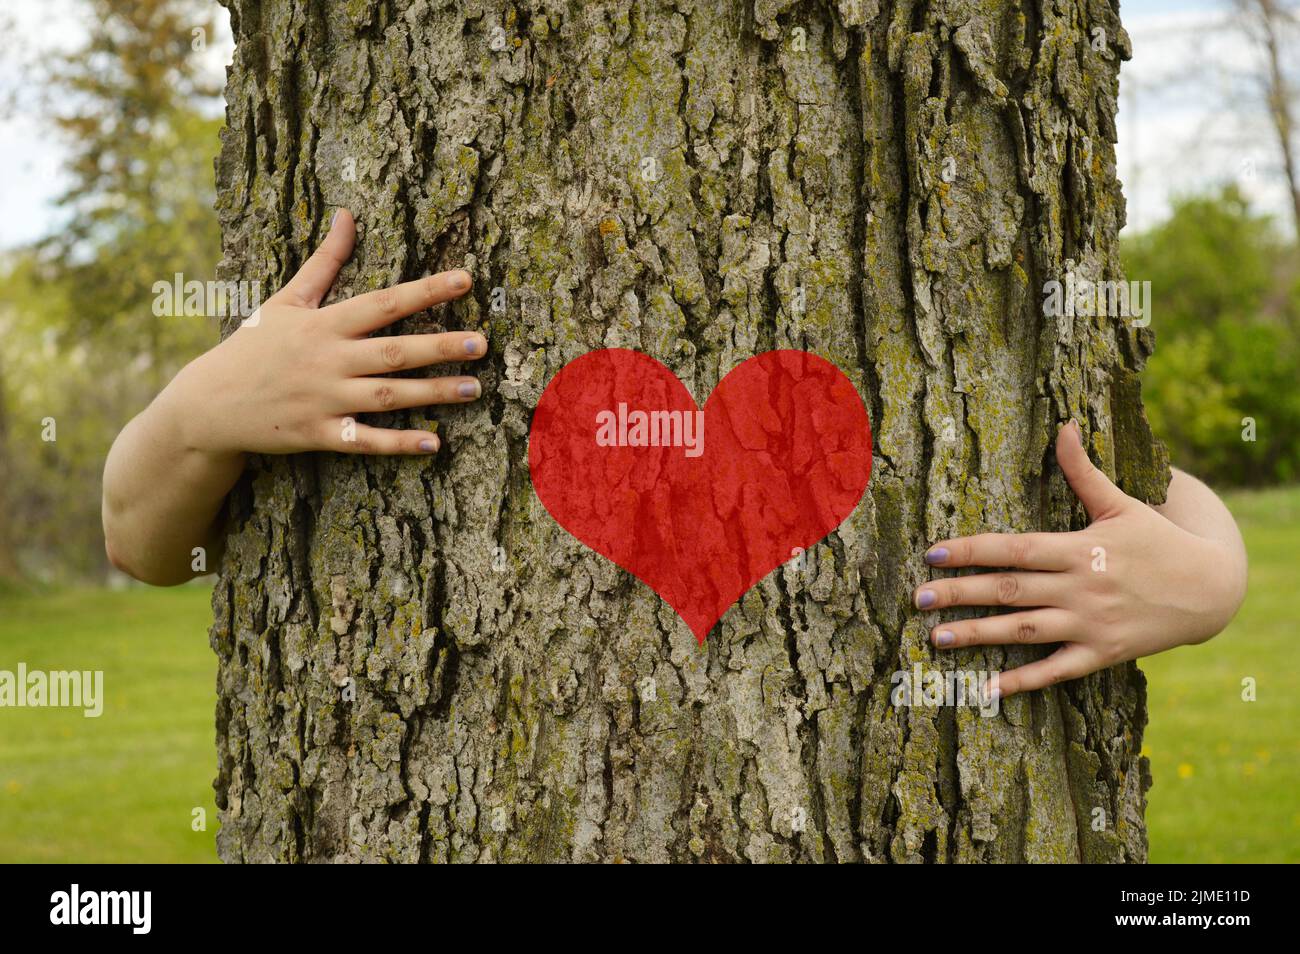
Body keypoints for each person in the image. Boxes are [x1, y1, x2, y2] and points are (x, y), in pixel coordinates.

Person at [102, 209, 1248, 700]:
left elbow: (1122, 478)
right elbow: (142, 542)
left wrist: (1209, 576)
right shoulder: (296, 369)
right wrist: (197, 409)